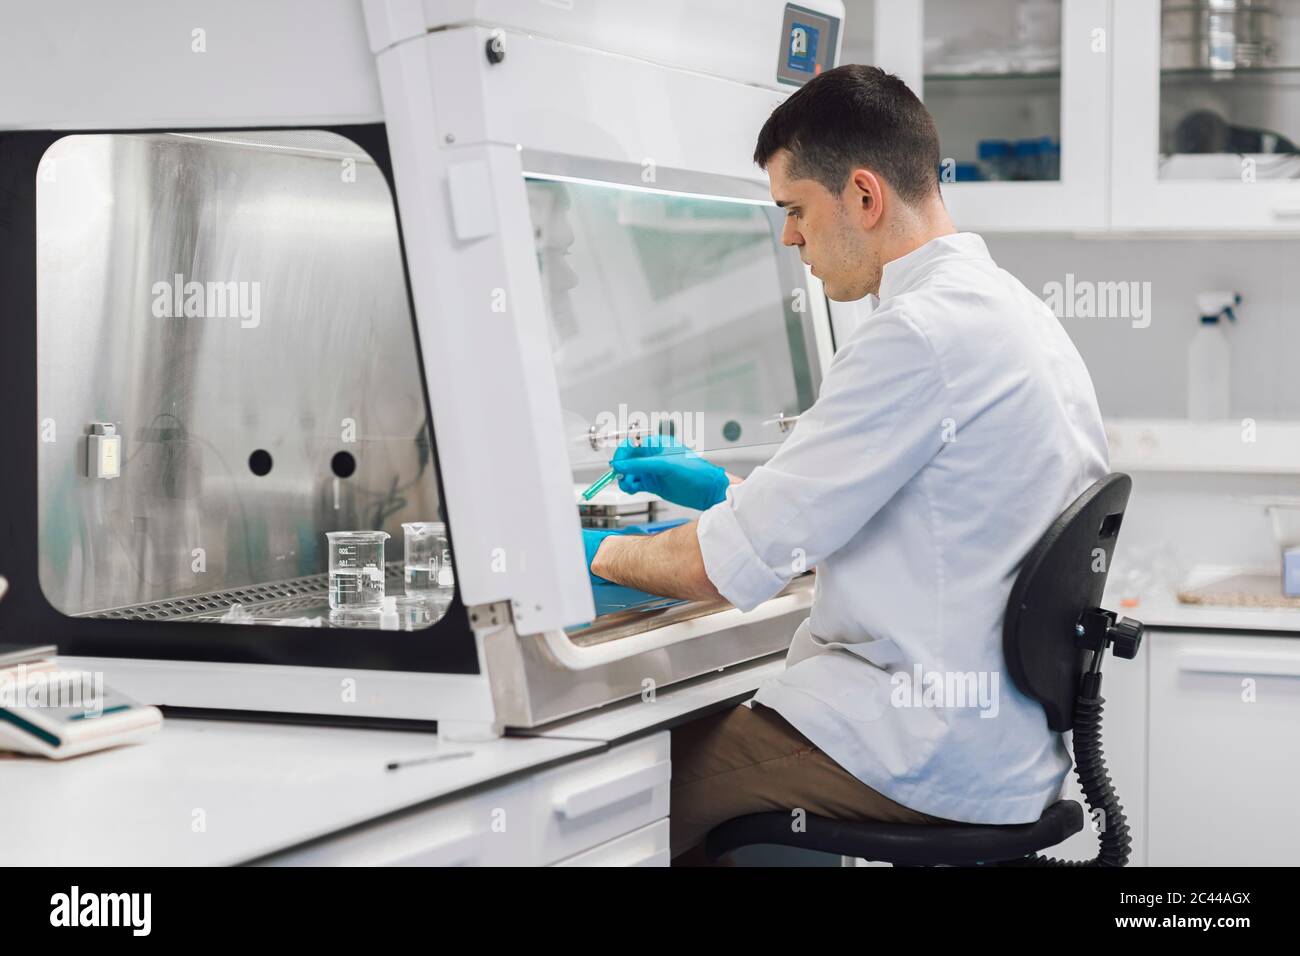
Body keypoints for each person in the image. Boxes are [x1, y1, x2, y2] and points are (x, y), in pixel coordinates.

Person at [582, 64, 1108, 865]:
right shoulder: (1012, 314)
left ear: (863, 197)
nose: (789, 237)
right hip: (992, 746)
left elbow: (718, 572)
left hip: (915, 746)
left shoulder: (918, 334)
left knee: (611, 797)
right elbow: (901, 517)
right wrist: (725, 492)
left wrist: (573, 556)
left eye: (794, 210)